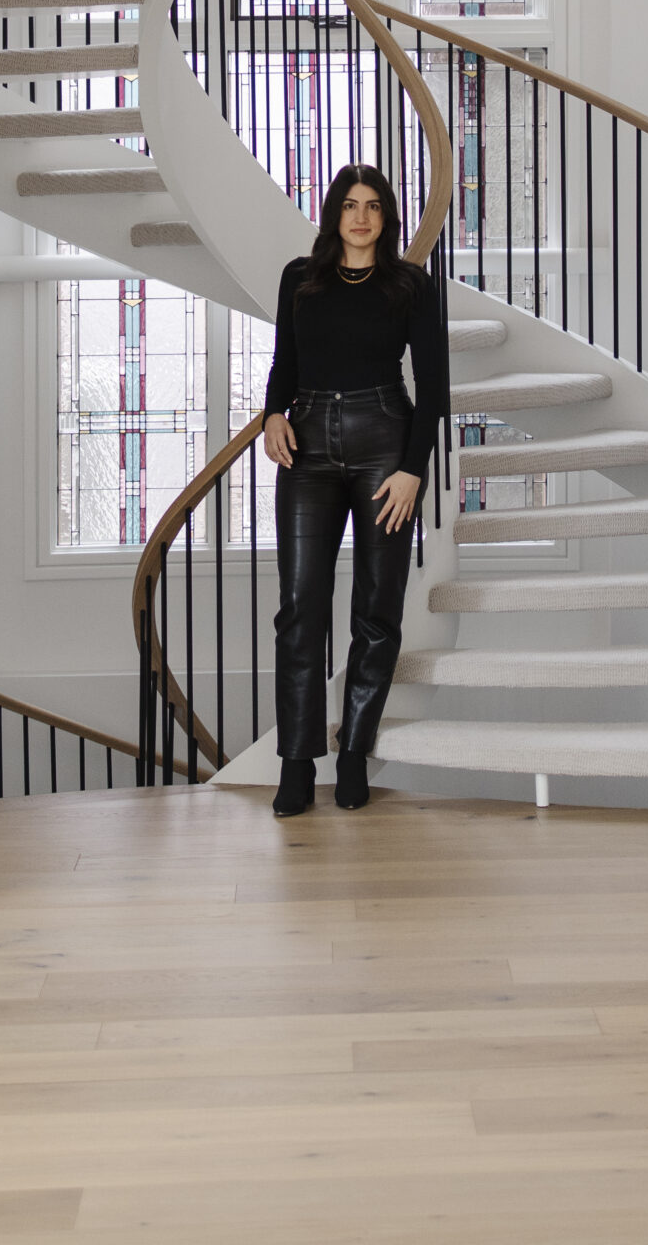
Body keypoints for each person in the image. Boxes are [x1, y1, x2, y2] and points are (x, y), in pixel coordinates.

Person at [262, 164, 447, 818]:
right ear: (334, 213)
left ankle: (352, 753)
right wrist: (271, 414)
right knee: (299, 607)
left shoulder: (409, 286)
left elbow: (435, 387)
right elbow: (285, 362)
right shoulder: (299, 278)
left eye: (372, 205)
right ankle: (295, 760)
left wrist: (412, 469)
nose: (361, 216)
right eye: (349, 204)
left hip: (383, 447)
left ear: (386, 217)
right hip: (307, 445)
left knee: (376, 610)